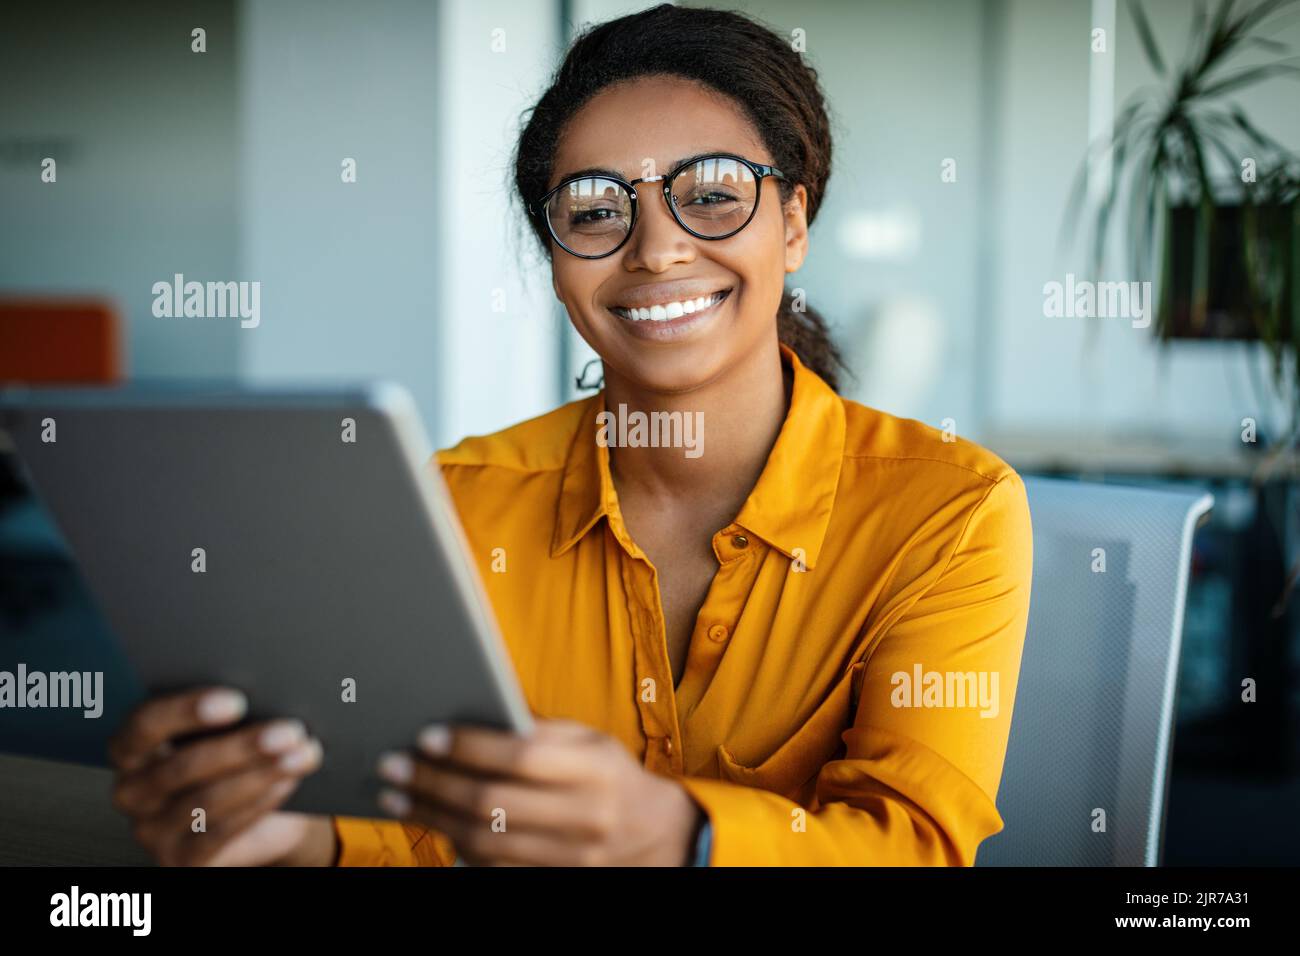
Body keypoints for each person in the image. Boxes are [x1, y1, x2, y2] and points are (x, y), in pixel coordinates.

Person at [108, 3, 1033, 867]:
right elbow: (416, 817)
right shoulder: (457, 500)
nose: (656, 248)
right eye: (595, 210)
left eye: (712, 196)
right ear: (555, 262)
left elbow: (912, 841)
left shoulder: (950, 510)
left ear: (793, 223)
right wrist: (288, 830)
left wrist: (677, 834)